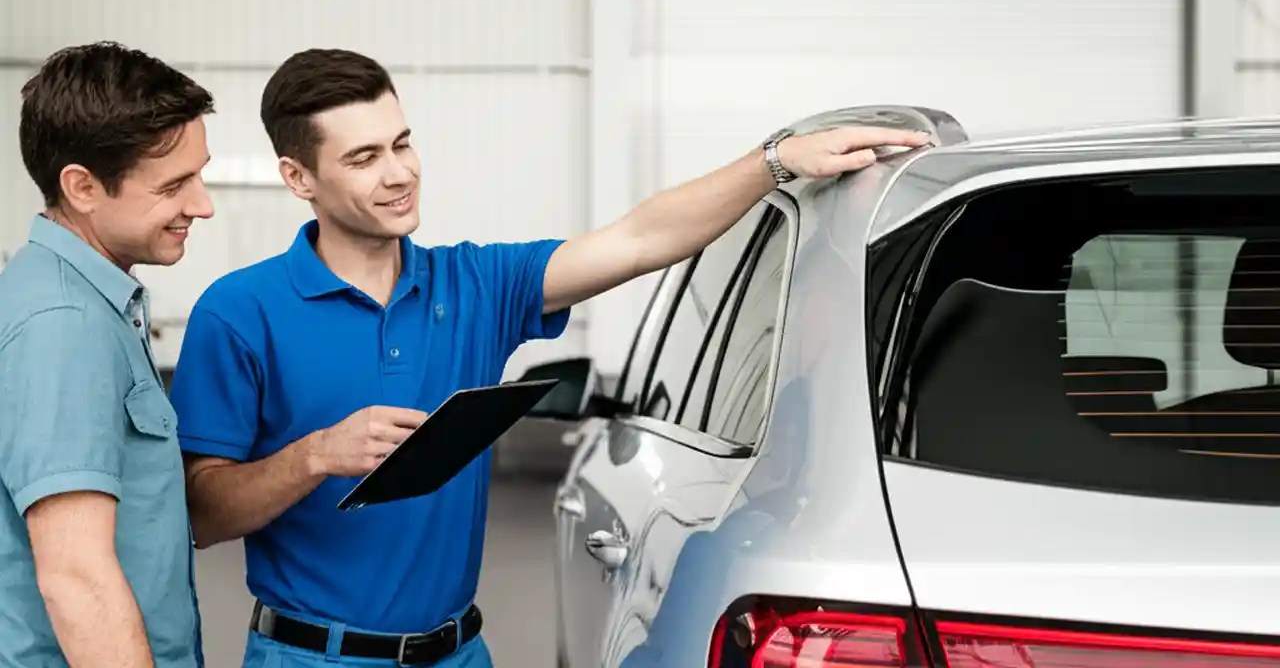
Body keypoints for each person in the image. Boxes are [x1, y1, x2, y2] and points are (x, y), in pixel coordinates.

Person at [168, 47, 928, 667]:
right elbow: (201, 513)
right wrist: (316, 455)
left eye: (402, 143)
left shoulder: (476, 284)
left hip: (461, 653)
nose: (398, 173)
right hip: (313, 659)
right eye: (364, 158)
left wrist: (777, 161)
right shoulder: (240, 314)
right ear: (299, 178)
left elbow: (640, 239)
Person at [0, 42, 216, 667]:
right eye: (175, 185)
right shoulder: (62, 325)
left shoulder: (84, 300)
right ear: (83, 186)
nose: (202, 204)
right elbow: (76, 577)